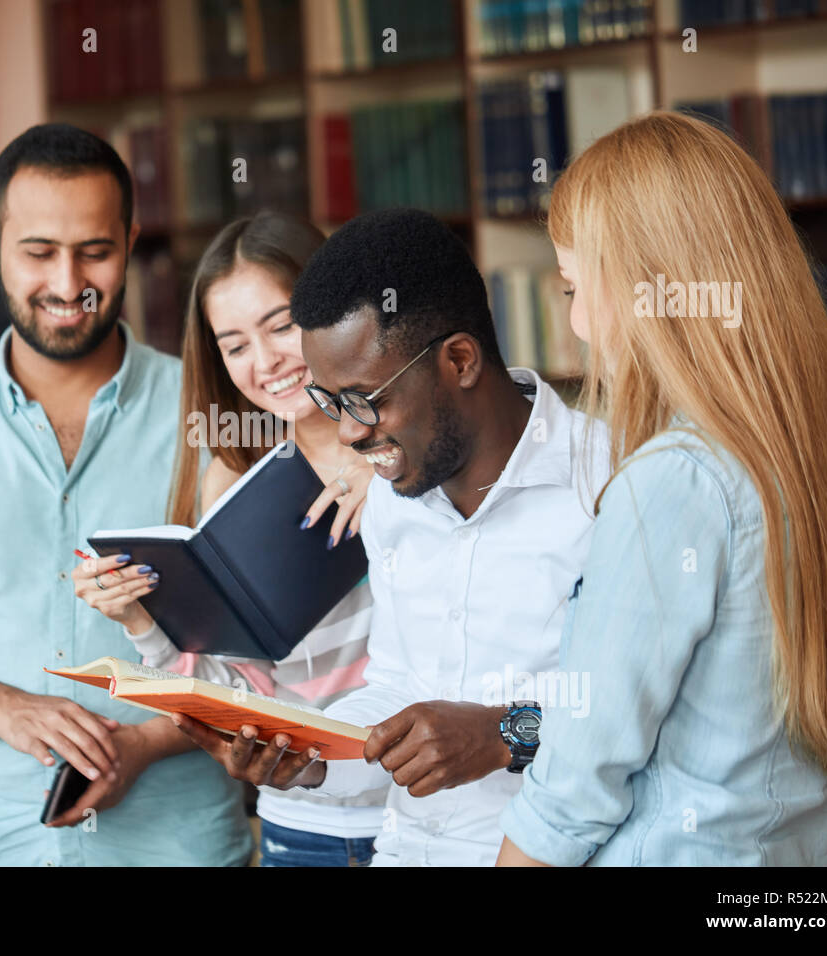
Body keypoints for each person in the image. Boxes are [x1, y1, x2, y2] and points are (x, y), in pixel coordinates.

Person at [0, 123, 253, 866]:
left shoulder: (210, 412)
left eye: (94, 251)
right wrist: (1, 709)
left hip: (177, 846)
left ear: (129, 241)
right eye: (38, 253)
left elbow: (257, 651)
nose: (67, 284)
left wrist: (146, 745)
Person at [494, 111, 827, 866]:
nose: (576, 323)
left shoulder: (674, 481)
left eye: (575, 287)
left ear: (649, 290)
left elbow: (575, 788)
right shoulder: (800, 459)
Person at [172, 207, 611, 865]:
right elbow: (396, 693)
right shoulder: (392, 502)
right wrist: (310, 758)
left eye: (362, 399)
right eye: (328, 404)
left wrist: (504, 734)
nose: (348, 434)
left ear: (459, 360)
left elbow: (647, 714)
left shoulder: (607, 484)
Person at [72, 211, 386, 867]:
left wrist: (384, 481)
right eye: (235, 344)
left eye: (282, 327)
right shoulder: (235, 476)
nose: (266, 362)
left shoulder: (412, 442)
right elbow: (243, 685)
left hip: (425, 815)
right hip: (301, 827)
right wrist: (139, 619)